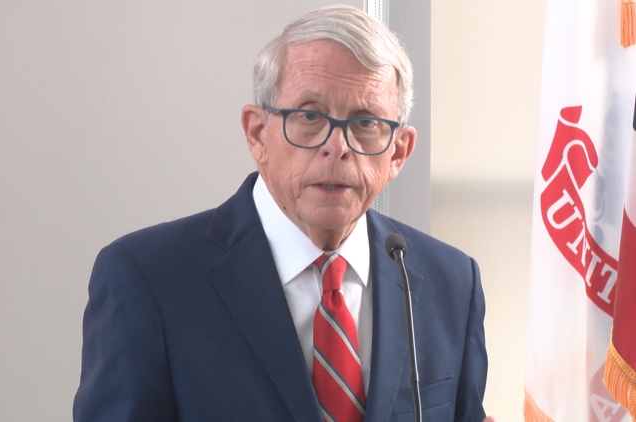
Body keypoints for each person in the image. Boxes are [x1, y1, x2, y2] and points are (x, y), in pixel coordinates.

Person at [74, 5, 490, 421]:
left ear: (398, 152)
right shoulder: (149, 279)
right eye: (309, 116)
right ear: (257, 133)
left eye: (366, 123)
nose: (337, 147)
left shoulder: (452, 284)